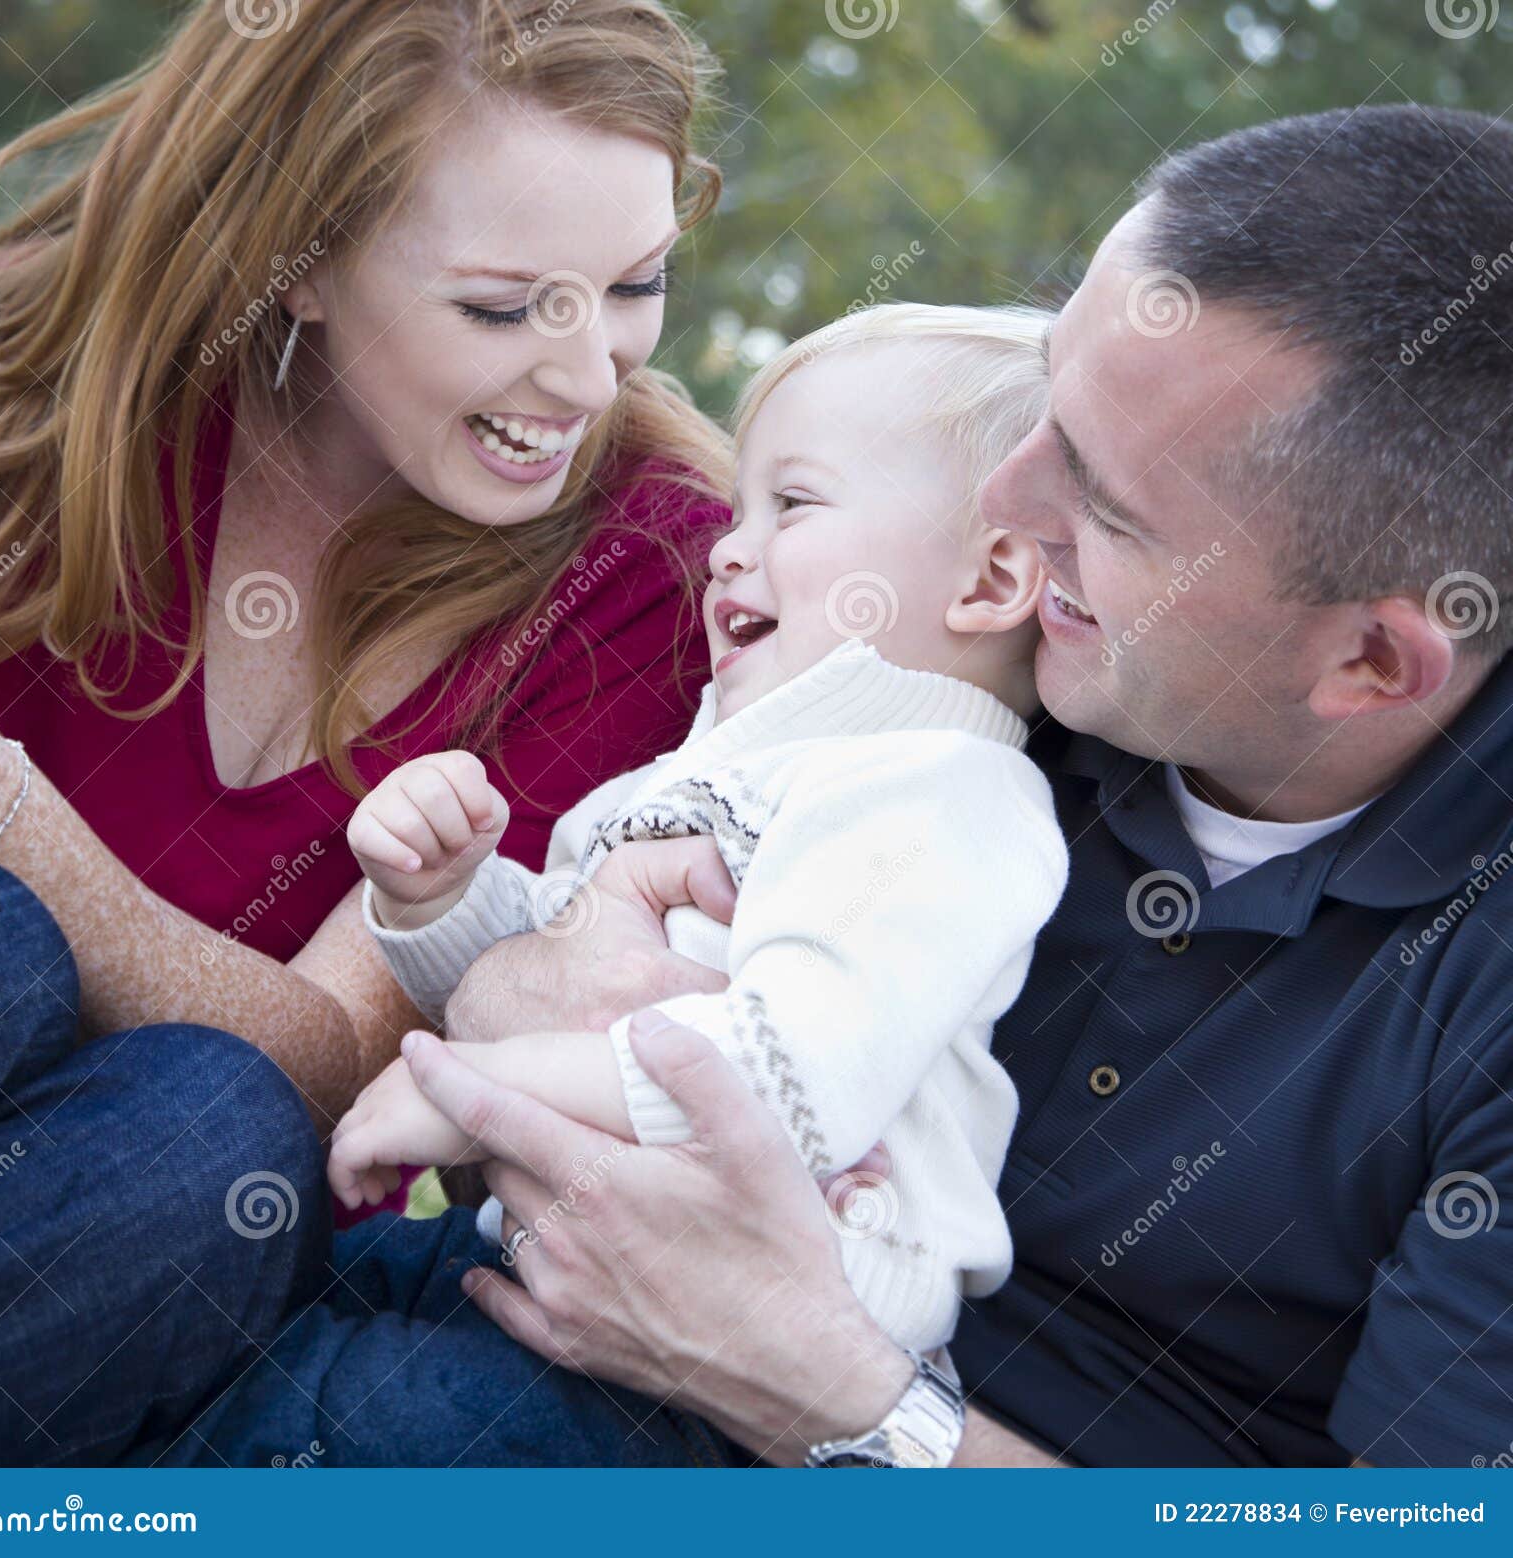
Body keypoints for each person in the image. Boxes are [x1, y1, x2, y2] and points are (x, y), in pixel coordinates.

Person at [355, 103, 1513, 1468]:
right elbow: (578, 947)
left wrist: (828, 1392)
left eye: (1106, 502)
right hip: (511, 1330)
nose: (1006, 508)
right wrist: (522, 974)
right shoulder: (951, 662)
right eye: (1051, 403)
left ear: (1373, 659)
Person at [0, 0, 736, 1465]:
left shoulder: (644, 576)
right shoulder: (42, 398)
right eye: (501, 308)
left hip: (130, 1265)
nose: (586, 378)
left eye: (635, 284)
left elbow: (347, 1065)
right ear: (292, 261)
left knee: (215, 1133)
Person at [330, 304, 1071, 1364]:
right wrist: (441, 896)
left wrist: (476, 1099)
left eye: (793, 503)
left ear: (990, 580)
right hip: (548, 1270)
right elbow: (521, 982)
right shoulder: (693, 774)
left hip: (734, 1350)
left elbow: (790, 1077)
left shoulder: (946, 795)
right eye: (737, 508)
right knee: (221, 1318)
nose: (728, 549)